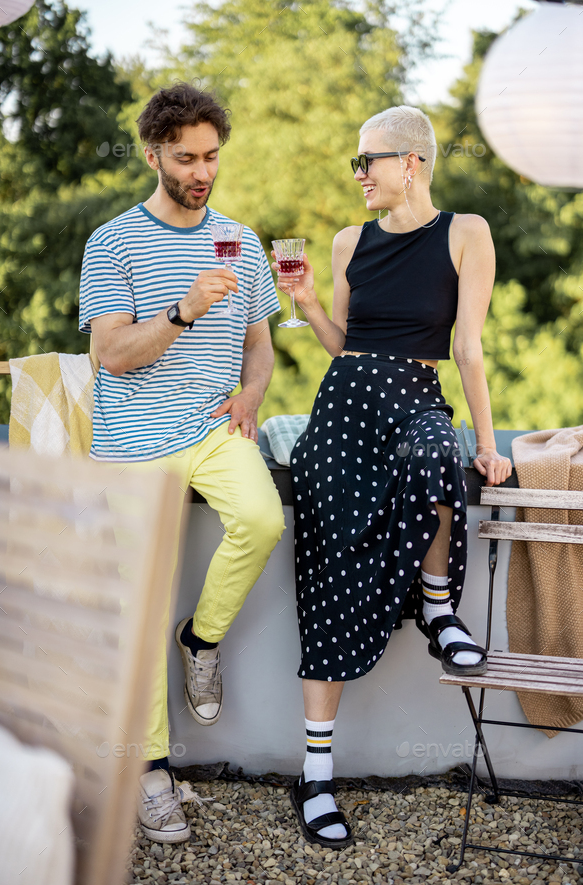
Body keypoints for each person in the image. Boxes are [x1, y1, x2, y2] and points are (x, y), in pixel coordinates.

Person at [282, 105, 512, 848]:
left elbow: (469, 349)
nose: (358, 175)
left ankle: (439, 611)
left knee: (436, 454)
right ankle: (316, 774)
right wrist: (311, 302)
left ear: (410, 162)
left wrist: (488, 442)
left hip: (415, 397)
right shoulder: (351, 239)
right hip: (344, 405)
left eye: (367, 162)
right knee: (329, 573)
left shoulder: (466, 233)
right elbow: (343, 345)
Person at [79, 82, 285, 842]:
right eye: (187, 157)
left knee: (263, 520)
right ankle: (151, 769)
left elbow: (260, 342)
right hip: (133, 437)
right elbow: (111, 354)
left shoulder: (240, 236)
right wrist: (184, 310)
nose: (202, 171)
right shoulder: (113, 242)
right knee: (140, 603)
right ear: (153, 154)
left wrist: (251, 397)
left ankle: (202, 638)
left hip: (211, 429)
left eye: (212, 157)